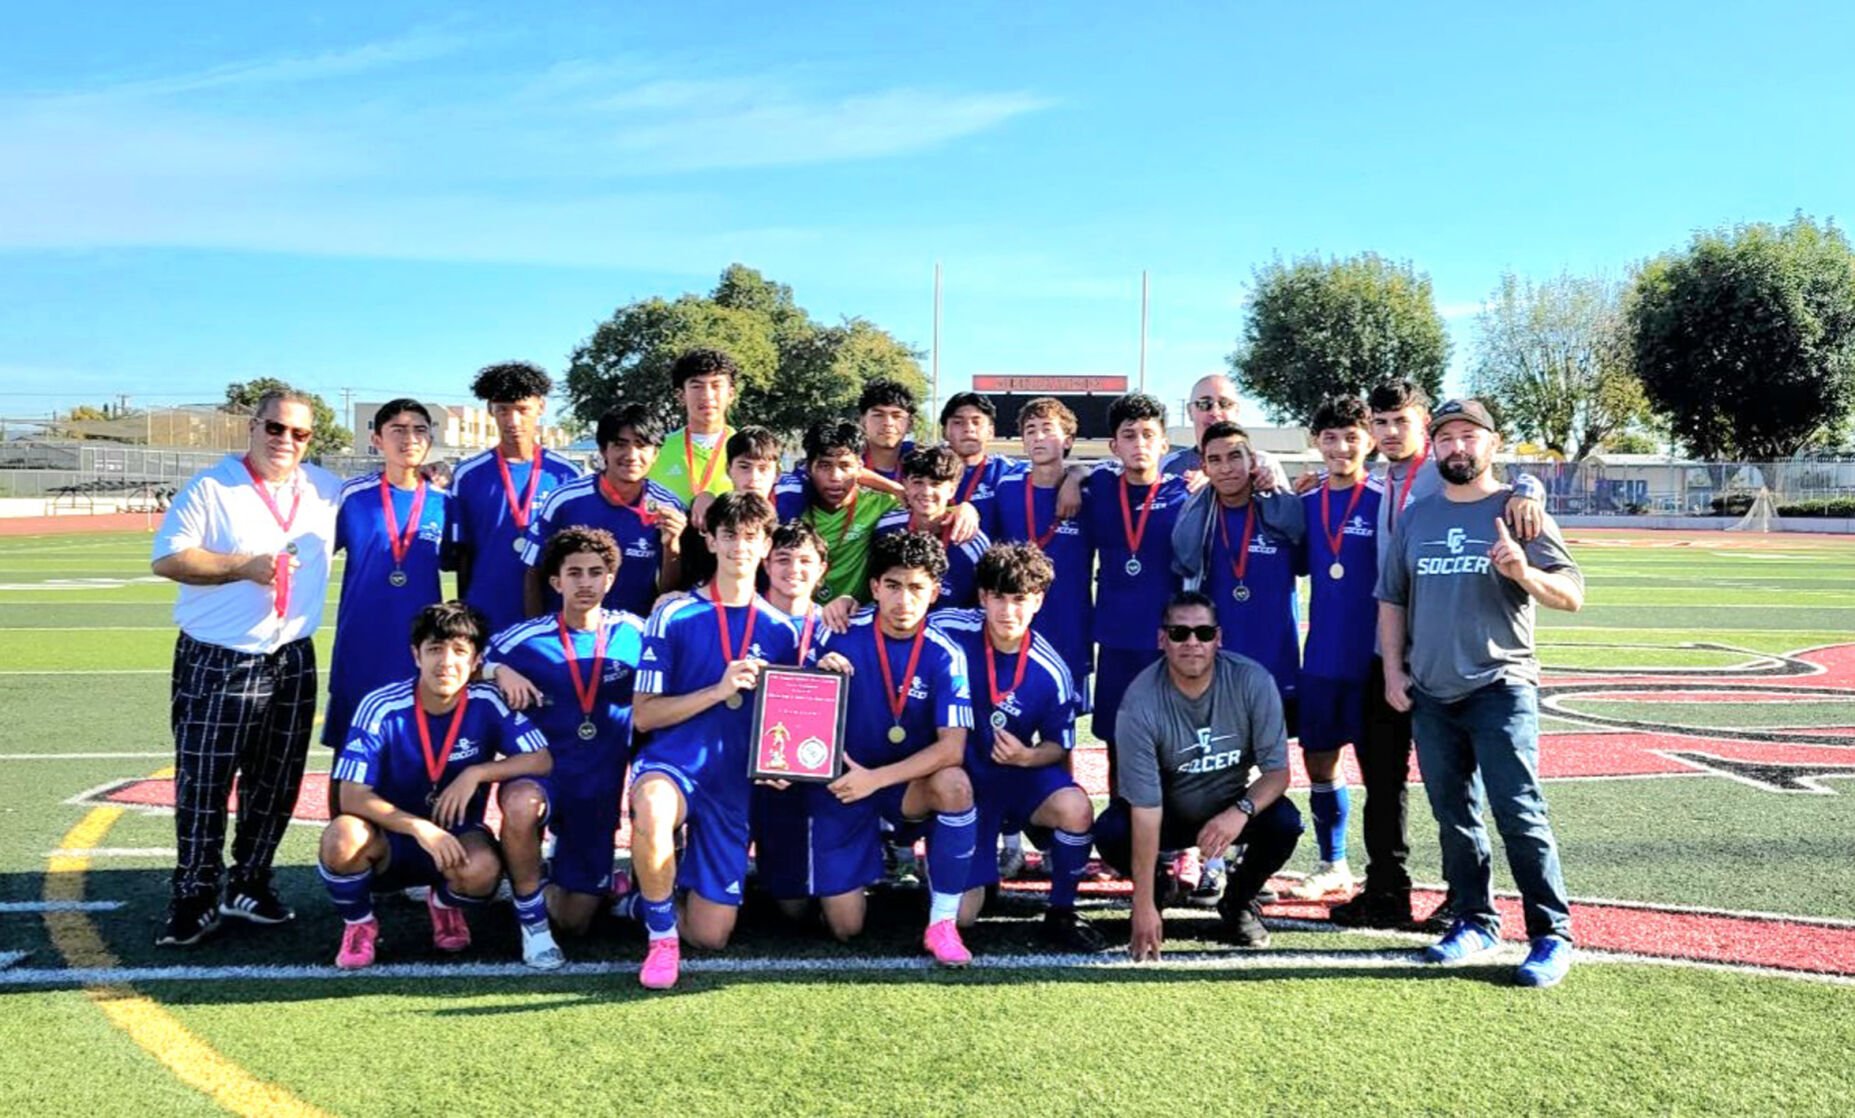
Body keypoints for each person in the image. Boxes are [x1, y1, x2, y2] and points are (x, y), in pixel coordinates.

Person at [1379, 398, 1583, 987]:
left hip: (1501, 685)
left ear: (1493, 444)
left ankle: (1551, 932)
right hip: (1432, 692)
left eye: (1469, 436)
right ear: (1433, 447)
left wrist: (1523, 572)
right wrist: (1394, 670)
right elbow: (1392, 599)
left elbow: (1571, 593)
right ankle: (1475, 918)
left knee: (1519, 812)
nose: (1457, 448)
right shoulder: (1418, 516)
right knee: (1453, 815)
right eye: (1445, 439)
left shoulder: (1519, 511)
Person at [1329, 380, 1544, 930]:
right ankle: (1387, 889)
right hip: (1390, 654)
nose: (1390, 432)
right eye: (1381, 423)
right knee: (1383, 780)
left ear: (1423, 422)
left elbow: (1498, 478)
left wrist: (1530, 486)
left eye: (1401, 421)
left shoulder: (1447, 470)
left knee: (1461, 791)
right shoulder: (1381, 478)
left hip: (1452, 659)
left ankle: (1464, 899)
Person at [149, 388, 343, 946]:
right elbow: (168, 557)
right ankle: (194, 892)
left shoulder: (324, 490)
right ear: (252, 428)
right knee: (205, 782)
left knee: (276, 782)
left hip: (291, 655)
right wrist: (241, 566)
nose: (286, 440)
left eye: (299, 433)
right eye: (275, 428)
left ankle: (251, 881)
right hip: (219, 654)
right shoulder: (214, 486)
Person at [757, 531, 979, 965]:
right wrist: (822, 674)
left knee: (954, 784)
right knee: (845, 928)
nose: (903, 600)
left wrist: (874, 780)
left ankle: (943, 923)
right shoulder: (836, 632)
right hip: (840, 788)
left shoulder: (945, 653)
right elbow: (794, 707)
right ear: (874, 587)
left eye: (917, 588)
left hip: (901, 785)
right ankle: (866, 858)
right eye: (892, 586)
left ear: (934, 592)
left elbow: (952, 749)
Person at [624, 493, 801, 989]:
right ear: (710, 539)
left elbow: (784, 721)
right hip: (674, 764)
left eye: (751, 537)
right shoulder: (673, 614)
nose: (740, 547)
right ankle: (661, 938)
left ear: (767, 545)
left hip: (733, 784)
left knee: (712, 936)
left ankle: (648, 894)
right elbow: (643, 714)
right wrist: (718, 690)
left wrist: (780, 762)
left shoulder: (783, 630)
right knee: (655, 811)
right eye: (729, 535)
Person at [316, 601, 553, 969]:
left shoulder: (487, 701)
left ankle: (444, 906)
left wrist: (475, 773)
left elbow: (541, 758)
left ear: (476, 661)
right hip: (389, 837)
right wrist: (420, 827)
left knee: (483, 870)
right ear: (416, 655)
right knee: (341, 837)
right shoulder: (381, 706)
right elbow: (351, 795)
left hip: (458, 834)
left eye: (459, 651)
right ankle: (359, 923)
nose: (446, 662)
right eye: (435, 650)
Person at [1095, 591, 1303, 958]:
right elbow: (1145, 810)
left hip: (1227, 805)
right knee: (1111, 831)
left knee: (1285, 822)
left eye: (1204, 633)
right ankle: (1158, 889)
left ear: (1218, 638)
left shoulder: (1252, 682)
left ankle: (1238, 901)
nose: (1192, 642)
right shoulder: (1140, 702)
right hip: (1164, 812)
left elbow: (1277, 773)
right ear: (1163, 639)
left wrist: (1239, 811)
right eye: (1179, 633)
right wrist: (1142, 904)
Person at [932, 544, 1106, 951]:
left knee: (1076, 807)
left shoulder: (1052, 670)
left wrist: (1027, 756)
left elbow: (1057, 747)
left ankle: (1061, 910)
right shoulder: (947, 627)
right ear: (981, 597)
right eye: (998, 597)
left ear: (1038, 602)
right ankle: (976, 874)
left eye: (1019, 600)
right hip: (959, 786)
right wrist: (847, 604)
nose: (1007, 611)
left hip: (1014, 779)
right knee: (963, 919)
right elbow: (892, 625)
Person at [483, 527, 646, 961]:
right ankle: (532, 923)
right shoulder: (525, 638)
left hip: (599, 785)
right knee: (520, 806)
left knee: (575, 922)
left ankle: (560, 875)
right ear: (556, 582)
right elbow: (462, 659)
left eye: (596, 573)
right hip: (543, 775)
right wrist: (497, 672)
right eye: (574, 573)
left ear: (610, 579)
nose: (585, 583)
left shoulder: (635, 632)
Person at [1286, 397, 1382, 901]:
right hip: (1321, 657)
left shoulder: (1386, 499)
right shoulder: (1306, 503)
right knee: (1319, 760)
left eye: (1351, 436)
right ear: (1315, 442)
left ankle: (1385, 870)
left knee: (1379, 773)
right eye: (1330, 437)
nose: (1341, 447)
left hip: (1374, 660)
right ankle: (1334, 863)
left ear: (1369, 441)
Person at [324, 400, 449, 757]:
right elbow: (315, 556)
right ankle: (344, 816)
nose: (409, 438)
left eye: (419, 430)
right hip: (361, 642)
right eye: (398, 430)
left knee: (415, 751)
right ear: (377, 440)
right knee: (350, 753)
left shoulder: (445, 502)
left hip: (420, 647)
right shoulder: (352, 497)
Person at [1083, 394, 1189, 784]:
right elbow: (1074, 472)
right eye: (1129, 435)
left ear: (1164, 443)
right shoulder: (1099, 487)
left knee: (1173, 741)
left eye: (1148, 435)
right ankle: (1122, 827)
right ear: (1114, 446)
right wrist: (1075, 476)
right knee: (1117, 739)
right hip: (1116, 641)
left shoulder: (1186, 494)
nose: (1139, 444)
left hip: (1172, 642)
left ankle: (1175, 837)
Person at [521, 402, 687, 619]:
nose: (631, 455)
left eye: (641, 445)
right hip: (568, 635)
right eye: (621, 445)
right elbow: (533, 572)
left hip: (630, 637)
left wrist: (672, 545)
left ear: (656, 454)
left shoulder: (668, 507)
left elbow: (670, 592)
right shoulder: (564, 500)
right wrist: (537, 631)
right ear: (603, 450)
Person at [450, 361, 581, 634]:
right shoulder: (468, 475)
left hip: (551, 616)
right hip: (486, 613)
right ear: (490, 410)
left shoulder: (567, 474)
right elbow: (463, 554)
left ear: (541, 407)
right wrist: (466, 614)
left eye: (522, 410)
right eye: (502, 410)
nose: (513, 421)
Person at [774, 419, 902, 604]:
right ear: (809, 468)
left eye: (845, 466)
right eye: (825, 466)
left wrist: (960, 510)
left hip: (853, 618)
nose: (835, 477)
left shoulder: (882, 504)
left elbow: (935, 512)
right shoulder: (790, 503)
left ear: (859, 467)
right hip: (802, 617)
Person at [875, 445, 991, 609]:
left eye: (936, 484)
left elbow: (984, 606)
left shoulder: (971, 542)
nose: (926, 491)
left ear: (952, 489)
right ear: (905, 486)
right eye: (918, 482)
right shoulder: (885, 528)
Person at [674, 425, 784, 592]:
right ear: (728, 469)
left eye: (763, 469)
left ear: (777, 474)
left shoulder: (787, 521)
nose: (754, 478)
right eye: (744, 467)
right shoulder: (706, 518)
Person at [1160, 373, 1290, 490]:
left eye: (1225, 404)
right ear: (1189, 412)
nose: (1215, 413)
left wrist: (1270, 490)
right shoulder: (1166, 466)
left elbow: (1286, 512)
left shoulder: (1264, 464)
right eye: (1204, 404)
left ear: (1237, 411)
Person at [648, 347, 738, 506]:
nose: (707, 396)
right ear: (681, 396)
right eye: (697, 386)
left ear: (731, 394)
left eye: (716, 386)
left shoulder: (748, 449)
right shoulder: (655, 451)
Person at [939, 391, 1026, 536]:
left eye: (976, 422)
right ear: (944, 432)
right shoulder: (926, 470)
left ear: (991, 431)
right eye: (958, 422)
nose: (969, 428)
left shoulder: (1007, 471)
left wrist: (1075, 475)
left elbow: (1054, 474)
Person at [856, 377, 919, 493]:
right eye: (878, 415)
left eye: (897, 416)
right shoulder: (849, 455)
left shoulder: (920, 459)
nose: (888, 423)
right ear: (862, 421)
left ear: (910, 424)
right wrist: (892, 487)